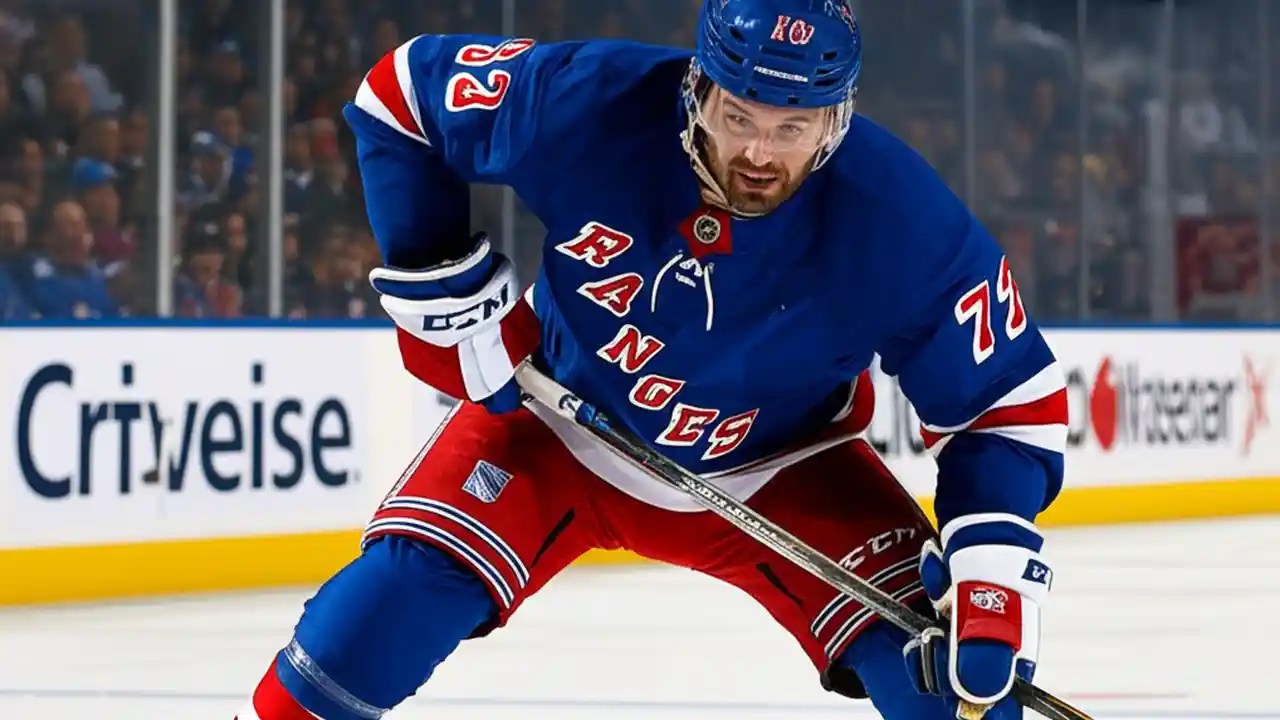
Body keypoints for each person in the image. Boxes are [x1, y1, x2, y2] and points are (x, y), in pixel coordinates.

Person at [237, 1, 1067, 718]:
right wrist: (433, 271)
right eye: (738, 115)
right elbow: (401, 95)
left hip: (781, 471)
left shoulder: (898, 218)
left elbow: (1008, 402)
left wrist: (991, 559)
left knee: (956, 694)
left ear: (836, 117)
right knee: (363, 630)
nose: (759, 154)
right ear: (698, 87)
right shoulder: (590, 103)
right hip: (555, 427)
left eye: (792, 128)